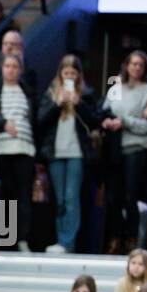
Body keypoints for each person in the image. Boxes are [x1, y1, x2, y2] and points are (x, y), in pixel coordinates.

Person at [36, 55, 101, 253]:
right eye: (66, 73)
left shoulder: (87, 94)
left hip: (76, 153)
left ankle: (68, 242)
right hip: (55, 153)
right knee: (60, 199)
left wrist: (78, 103)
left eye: (73, 73)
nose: (70, 77)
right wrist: (58, 105)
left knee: (72, 197)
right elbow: (40, 122)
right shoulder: (50, 93)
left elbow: (94, 121)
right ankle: (60, 239)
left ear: (79, 75)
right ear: (60, 74)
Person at [0, 54, 38, 251]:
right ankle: (5, 241)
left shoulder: (29, 93)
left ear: (20, 70)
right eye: (7, 66)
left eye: (15, 66)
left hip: (25, 149)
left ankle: (22, 240)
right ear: (2, 69)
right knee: (4, 197)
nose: (11, 69)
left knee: (23, 197)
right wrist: (2, 123)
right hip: (1, 150)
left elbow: (37, 120)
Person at [101, 50, 147, 254]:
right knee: (113, 195)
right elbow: (105, 110)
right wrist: (106, 121)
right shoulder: (115, 85)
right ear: (126, 65)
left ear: (145, 68)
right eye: (133, 64)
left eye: (140, 65)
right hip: (116, 147)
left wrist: (125, 121)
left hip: (137, 147)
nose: (136, 68)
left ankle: (131, 239)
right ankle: (114, 238)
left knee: (130, 195)